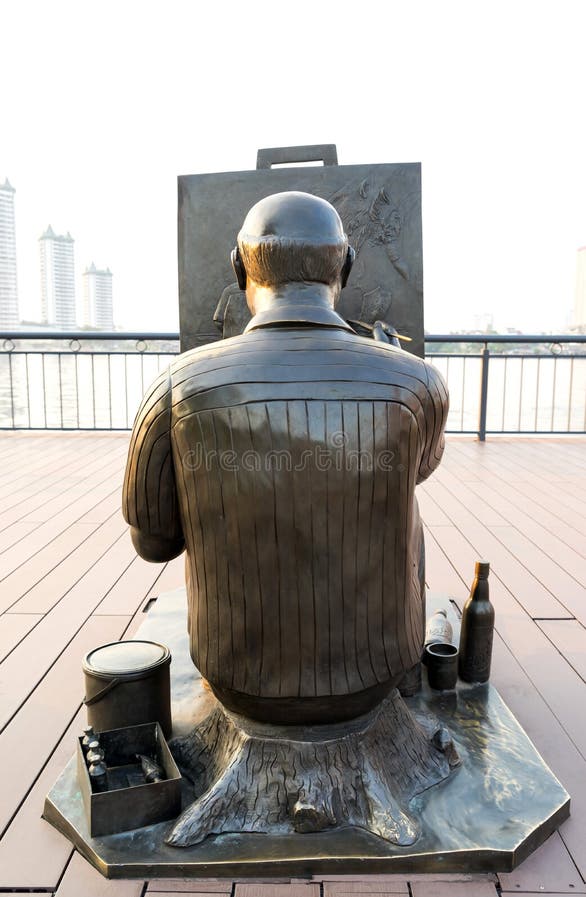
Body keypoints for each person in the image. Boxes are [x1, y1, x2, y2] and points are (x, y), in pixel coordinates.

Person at [122, 191, 448, 725]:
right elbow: (418, 469)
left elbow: (153, 544)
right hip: (377, 670)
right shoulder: (420, 383)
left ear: (238, 266)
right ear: (344, 264)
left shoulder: (176, 385)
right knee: (405, 511)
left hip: (238, 676)